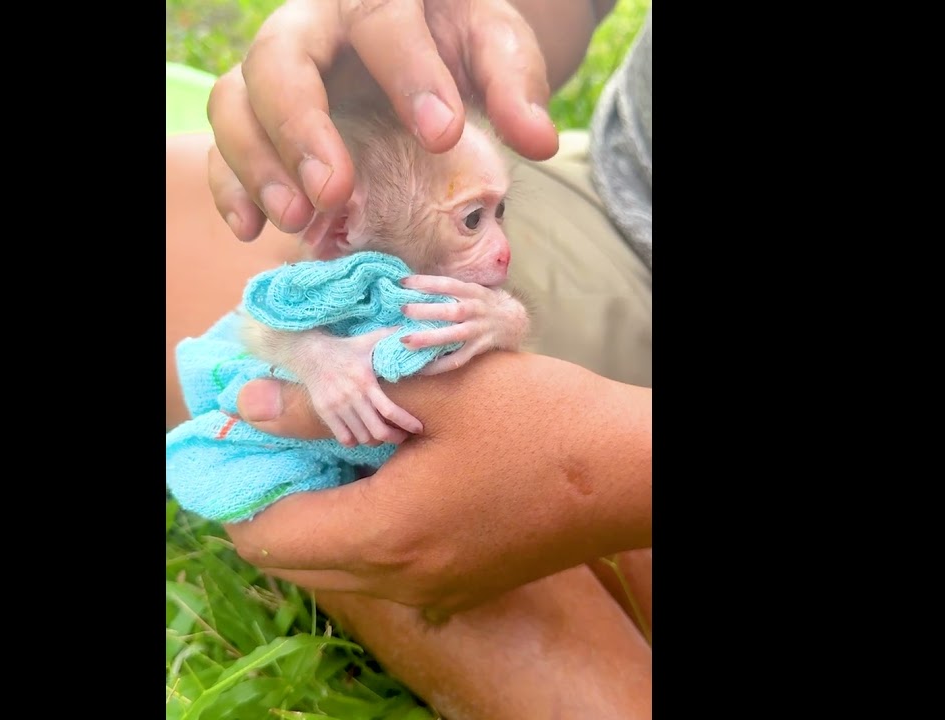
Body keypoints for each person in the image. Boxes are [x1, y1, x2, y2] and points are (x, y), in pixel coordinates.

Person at [166, 1, 652, 716]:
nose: (503, 247)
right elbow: (266, 324)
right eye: (479, 218)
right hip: (620, 215)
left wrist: (613, 467)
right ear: (346, 231)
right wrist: (436, 35)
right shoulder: (360, 245)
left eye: (493, 215)